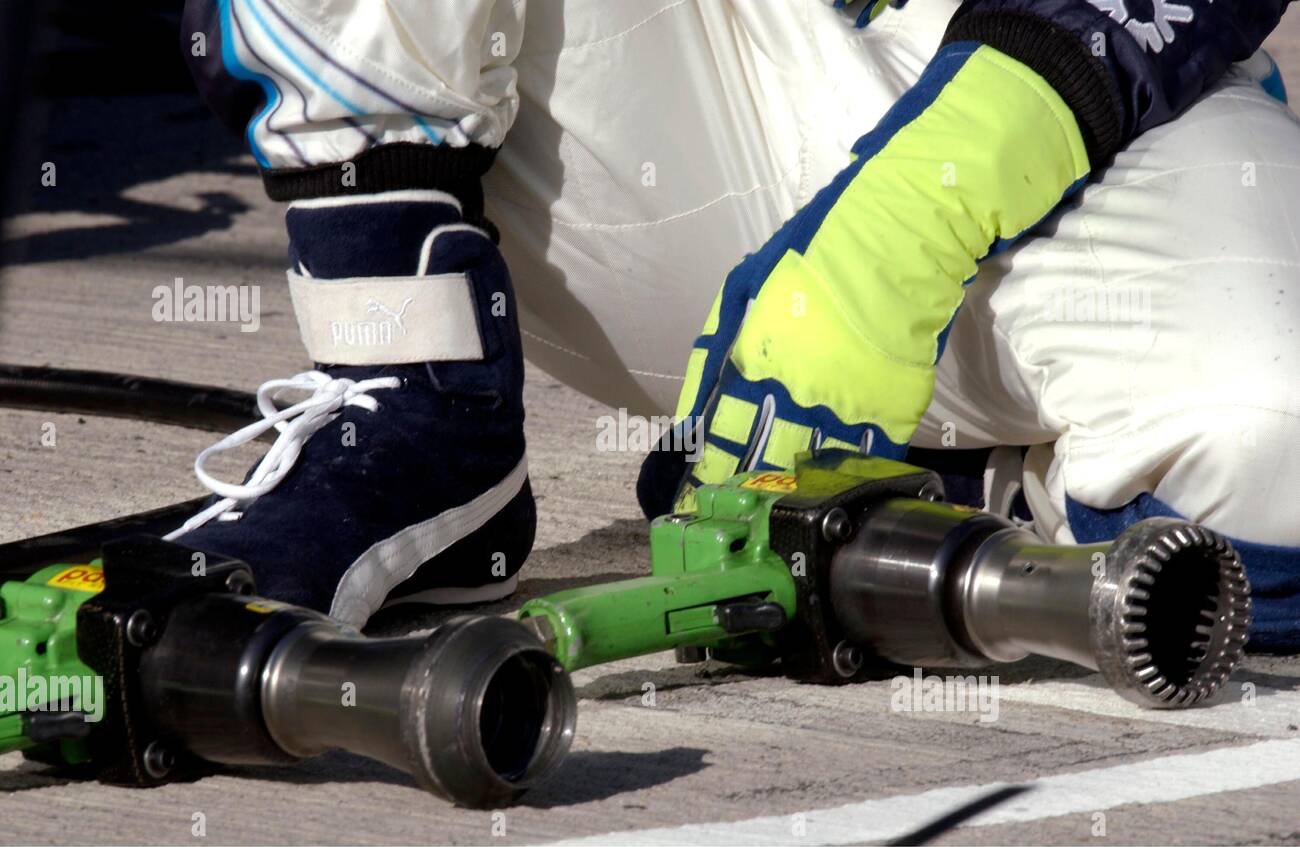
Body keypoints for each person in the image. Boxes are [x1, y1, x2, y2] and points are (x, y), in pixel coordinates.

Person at [174, 0, 1299, 644]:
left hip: (1059, 91)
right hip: (669, 71)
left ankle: (936, 492)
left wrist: (899, 226)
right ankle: (419, 406)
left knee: (1274, 438)